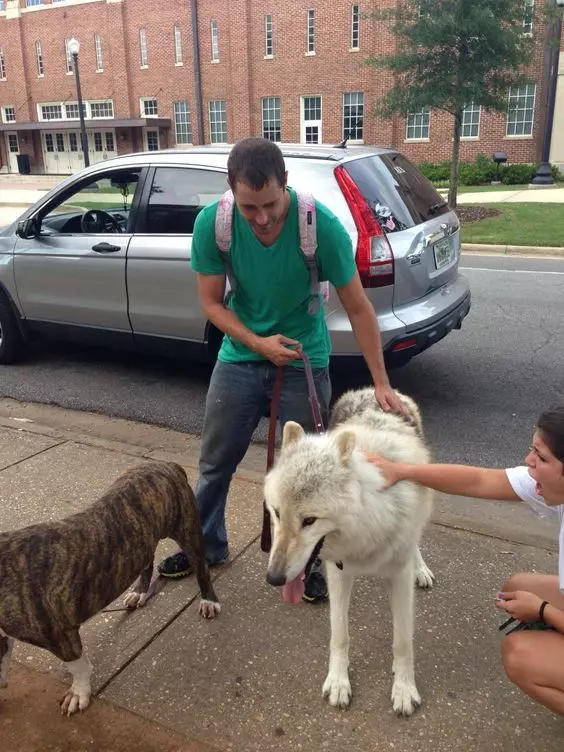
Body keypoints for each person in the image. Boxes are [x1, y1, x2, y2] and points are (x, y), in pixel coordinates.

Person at [158, 137, 407, 603]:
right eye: (249, 207)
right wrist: (255, 342)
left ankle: (310, 566)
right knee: (214, 464)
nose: (262, 217)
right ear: (232, 191)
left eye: (270, 204)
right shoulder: (214, 224)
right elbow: (211, 303)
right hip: (240, 358)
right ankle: (204, 545)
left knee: (308, 478)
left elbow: (359, 308)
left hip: (302, 362)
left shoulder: (320, 226)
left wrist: (381, 383)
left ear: (285, 185)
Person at [367, 405, 564, 715]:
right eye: (531, 451)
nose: (528, 461)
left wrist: (543, 611)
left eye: (541, 457)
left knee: (519, 655)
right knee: (518, 586)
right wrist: (402, 471)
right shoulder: (552, 486)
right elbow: (479, 481)